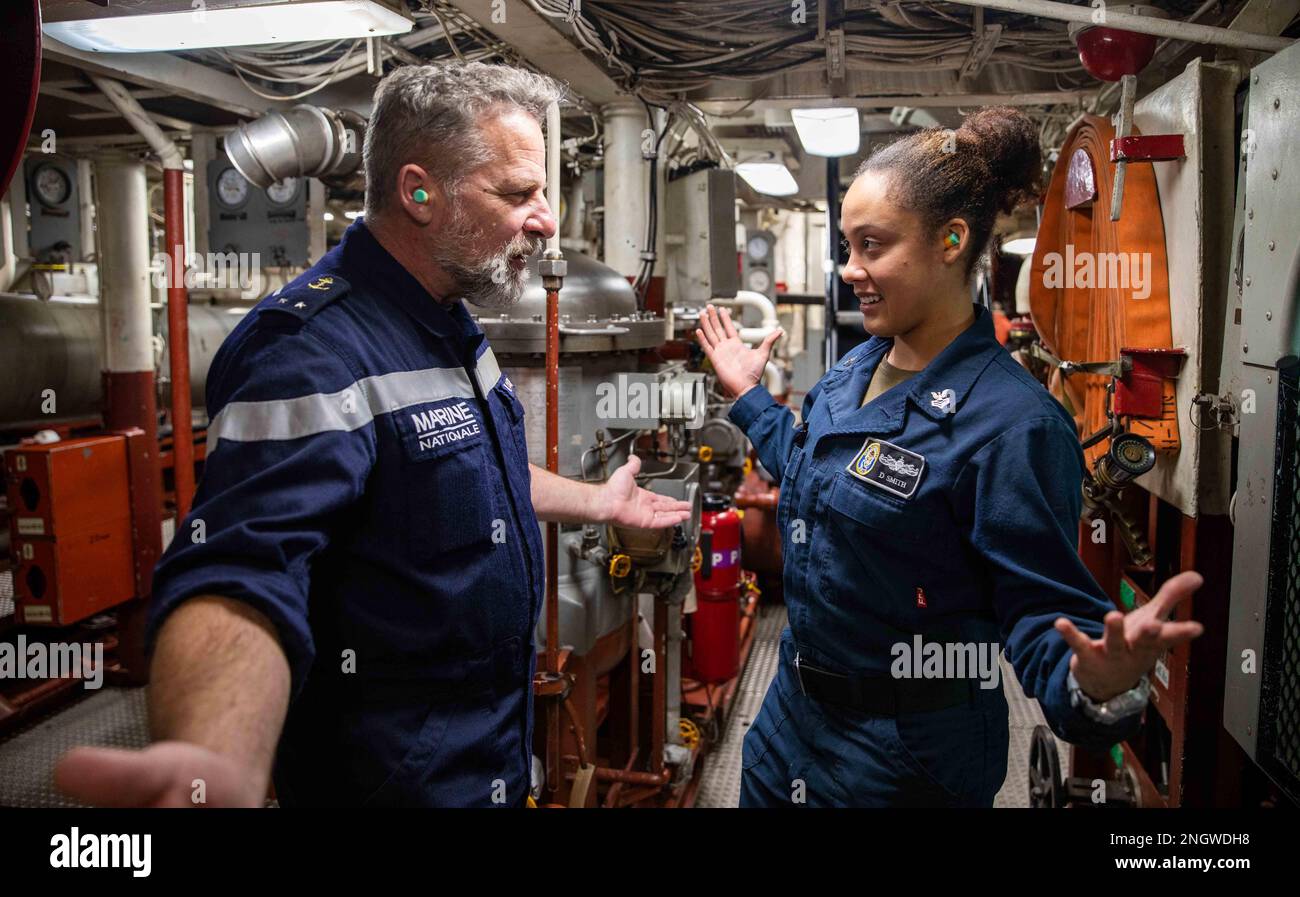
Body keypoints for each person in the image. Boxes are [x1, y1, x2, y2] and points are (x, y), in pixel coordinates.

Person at [54, 62, 690, 808]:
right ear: (419, 192)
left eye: (541, 191)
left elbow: (476, 470)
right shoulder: (309, 355)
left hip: (489, 764)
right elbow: (243, 575)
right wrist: (211, 755)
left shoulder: (447, 319)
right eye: (517, 193)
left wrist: (599, 501)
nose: (546, 218)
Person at [695, 107, 1203, 808]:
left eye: (872, 246)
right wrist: (749, 395)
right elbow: (811, 471)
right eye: (847, 247)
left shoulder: (1014, 426)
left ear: (951, 241)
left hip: (902, 761)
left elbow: (1044, 610)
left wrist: (1096, 680)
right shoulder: (855, 369)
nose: (851, 272)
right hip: (791, 726)